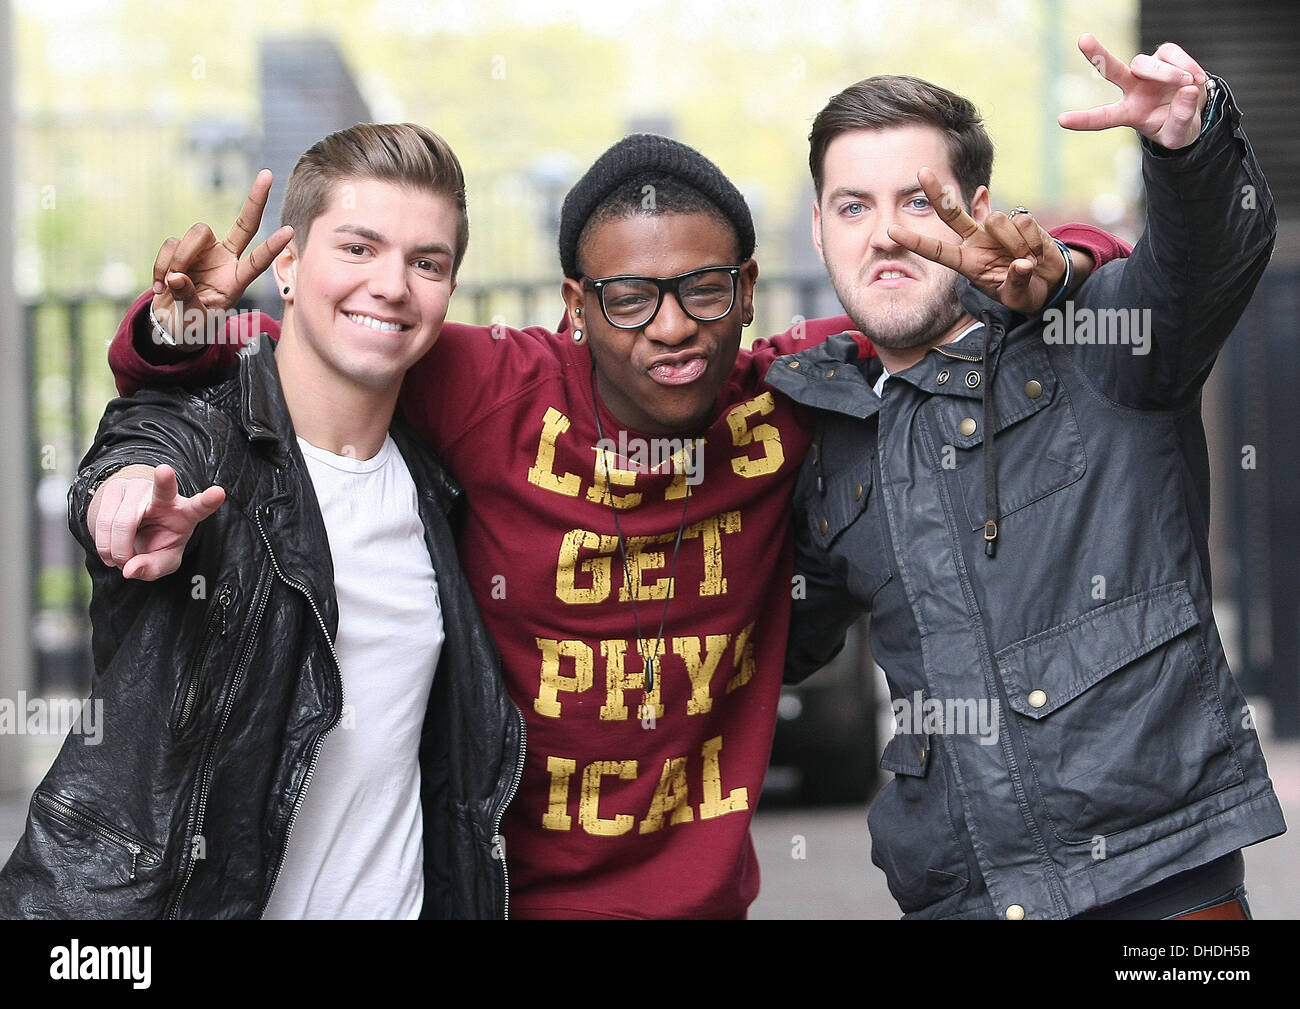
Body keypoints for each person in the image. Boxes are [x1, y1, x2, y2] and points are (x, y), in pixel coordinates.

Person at [99, 125, 1122, 916]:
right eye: (629, 296)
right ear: (574, 306)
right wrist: (177, 326)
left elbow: (1004, 291)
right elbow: (316, 347)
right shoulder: (485, 383)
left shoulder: (792, 397)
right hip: (499, 895)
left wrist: (1059, 267)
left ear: (748, 294)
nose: (671, 326)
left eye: (703, 291)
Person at [771, 35, 1286, 919]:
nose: (886, 232)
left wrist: (1186, 146)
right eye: (852, 206)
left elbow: (1207, 261)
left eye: (917, 202)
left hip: (1166, 896)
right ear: (819, 228)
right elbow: (764, 642)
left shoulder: (1095, 344)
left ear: (976, 208)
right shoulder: (831, 438)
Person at [0, 123, 524, 919]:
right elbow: (132, 456)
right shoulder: (204, 450)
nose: (391, 285)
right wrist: (125, 502)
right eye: (357, 248)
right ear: (286, 265)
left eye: (427, 262)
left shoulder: (437, 491)